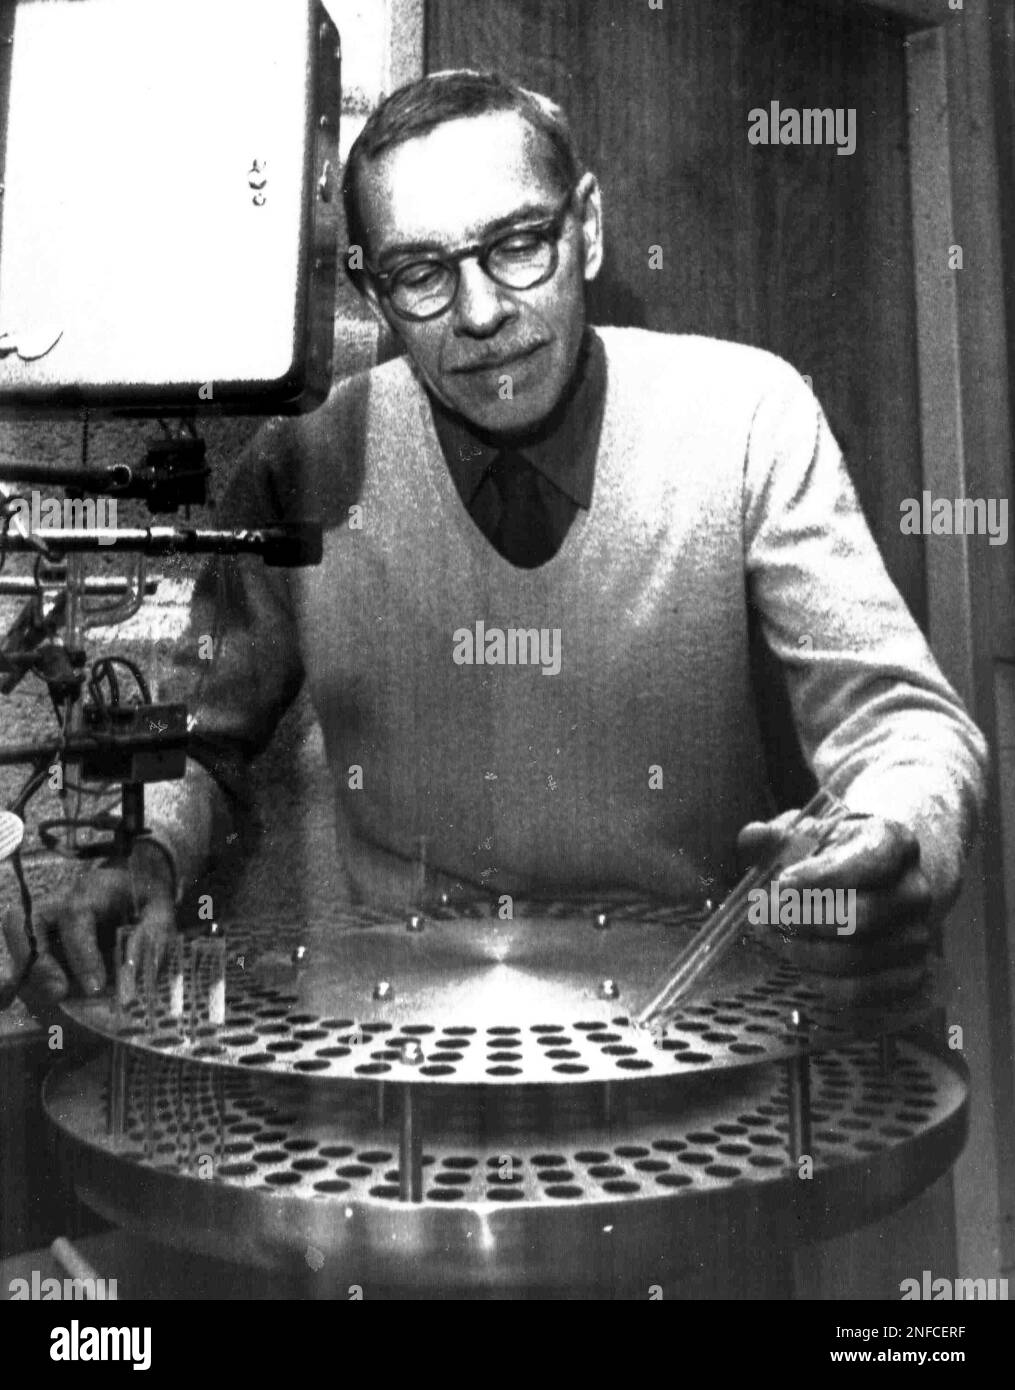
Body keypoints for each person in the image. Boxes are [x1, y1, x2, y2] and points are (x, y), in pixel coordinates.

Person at [1, 69, 987, 1010]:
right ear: (379, 300)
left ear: (587, 228)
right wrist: (151, 855)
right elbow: (203, 742)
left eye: (519, 245)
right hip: (404, 1039)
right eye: (421, 273)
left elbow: (903, 725)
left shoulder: (747, 415)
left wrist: (893, 837)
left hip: (699, 1021)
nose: (479, 314)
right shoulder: (302, 462)